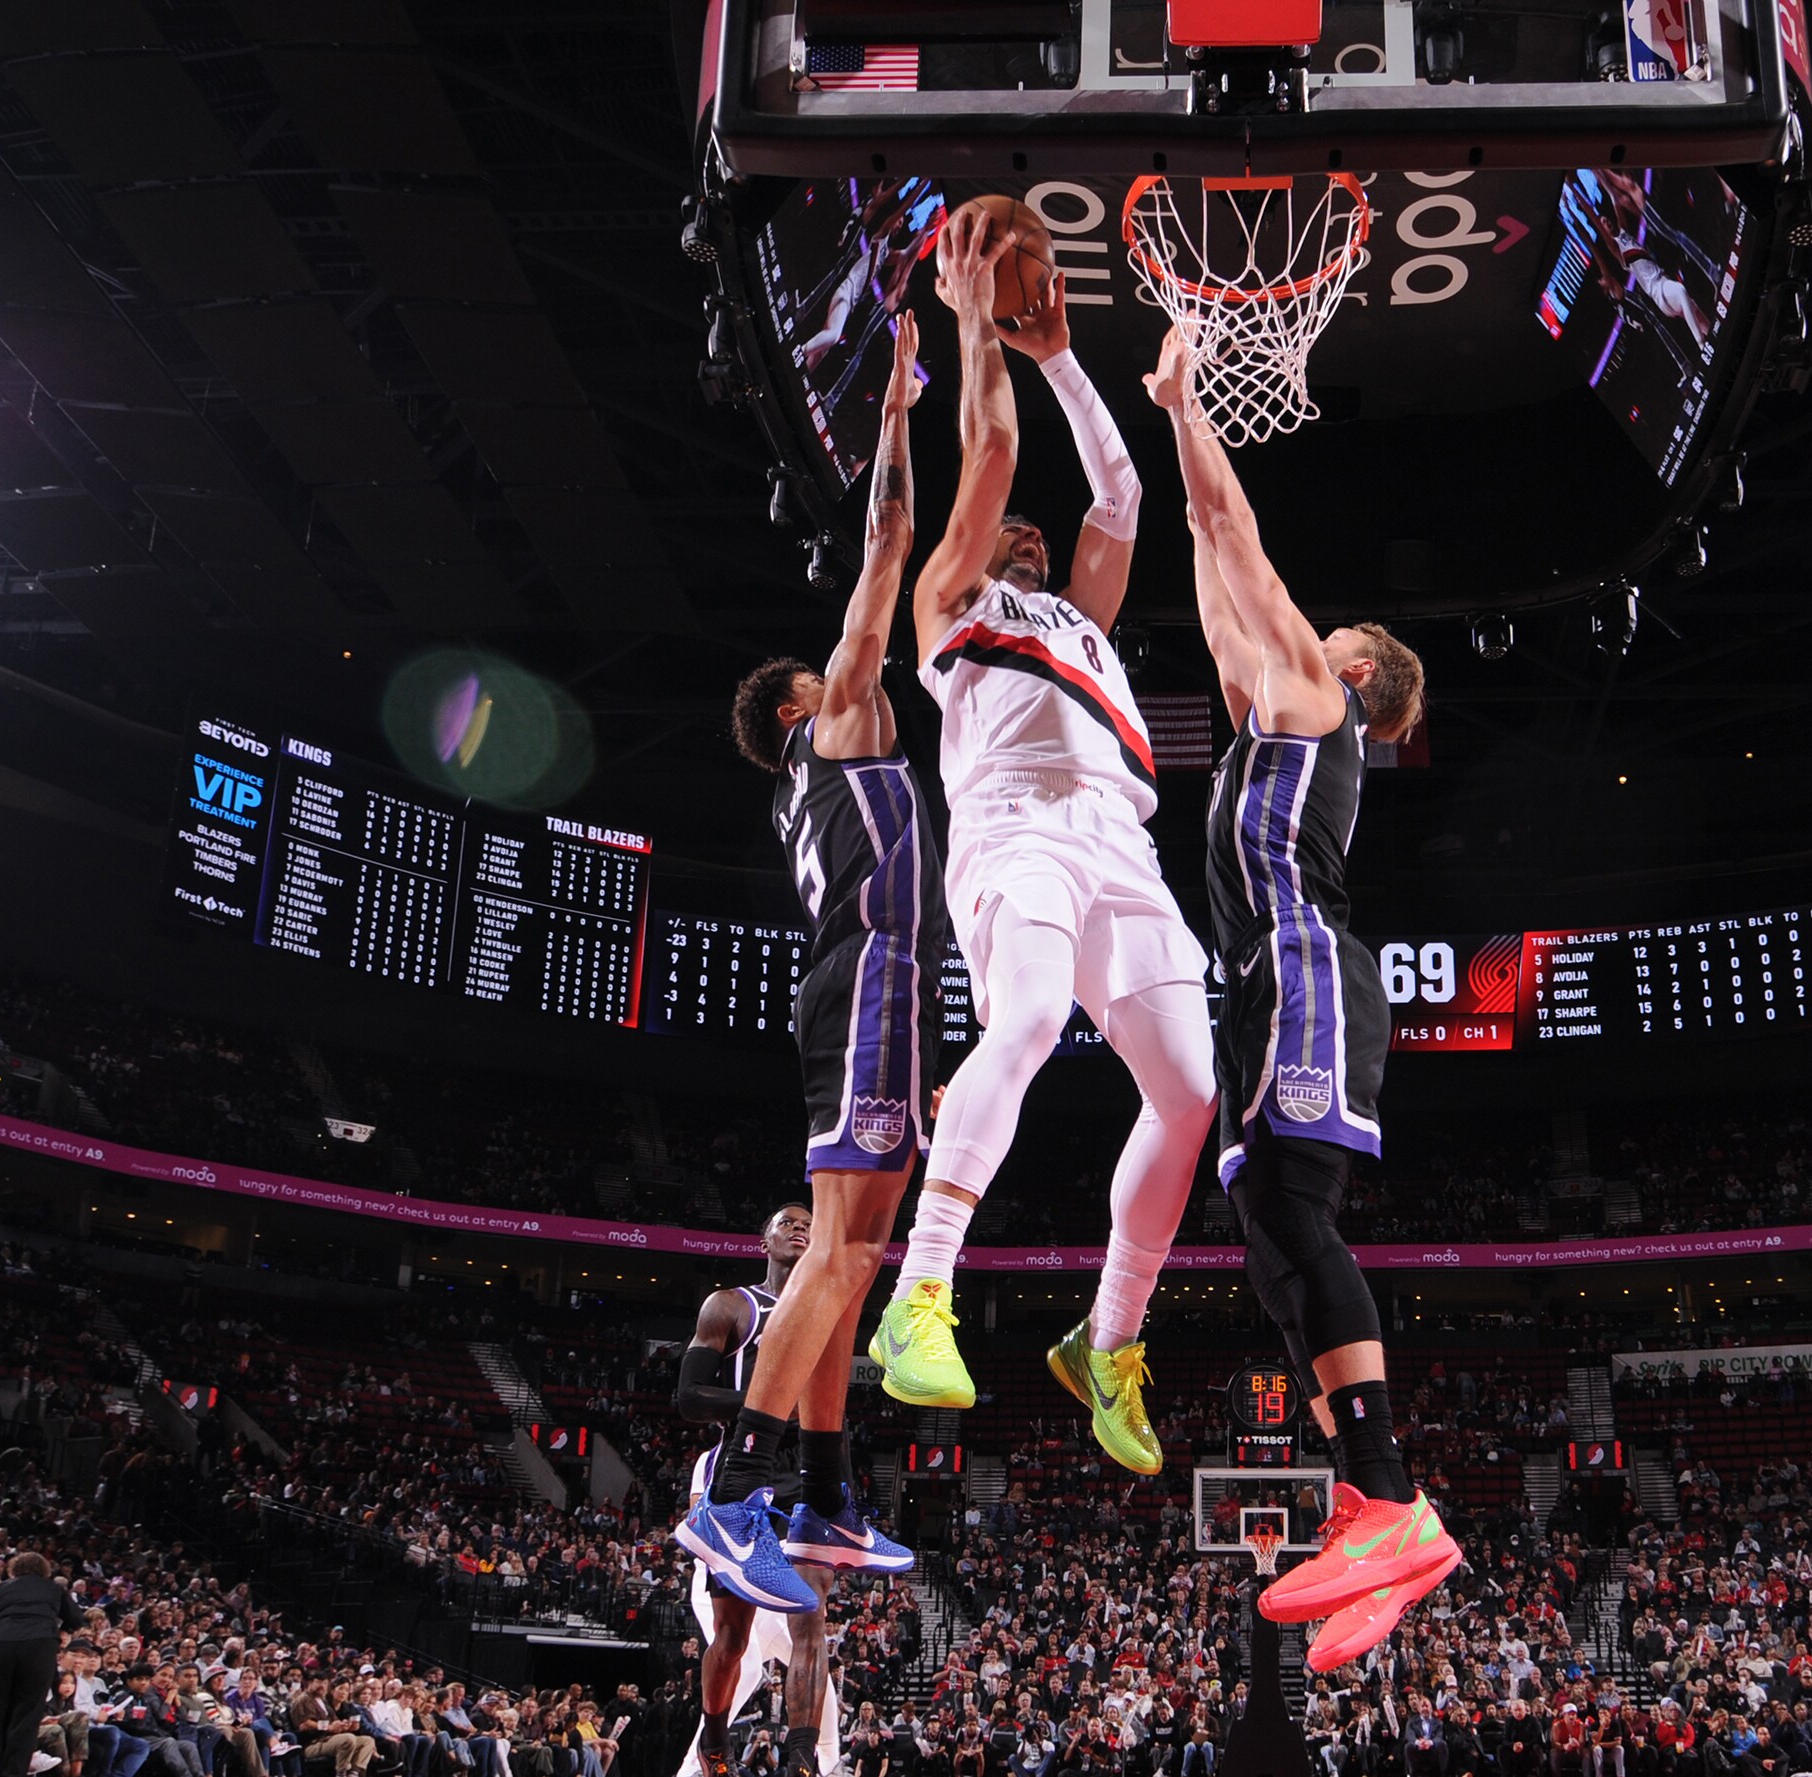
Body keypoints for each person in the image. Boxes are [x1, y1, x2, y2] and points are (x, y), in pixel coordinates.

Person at [867, 203, 1218, 1475]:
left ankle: (1108, 1339)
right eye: (1008, 528)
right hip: (1011, 828)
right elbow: (994, 458)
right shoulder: (952, 599)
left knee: (1189, 1092)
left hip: (1122, 848)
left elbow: (1121, 491)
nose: (1024, 534)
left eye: (1030, 537)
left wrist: (1062, 350)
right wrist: (978, 335)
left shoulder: (1082, 620)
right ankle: (922, 1294)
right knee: (1020, 1022)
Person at [1142, 323, 1451, 1674]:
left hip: (1309, 975)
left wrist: (1179, 408)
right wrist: (1198, 501)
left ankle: (1392, 1505)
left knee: (1291, 1212)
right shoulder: (1274, 710)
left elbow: (1235, 529)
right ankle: (1382, 1507)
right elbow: (1220, 578)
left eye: (1323, 641)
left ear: (1359, 672)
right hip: (1265, 988)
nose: (1292, 639)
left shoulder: (1324, 697)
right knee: (1267, 1238)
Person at [710, 310, 934, 1607]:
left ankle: (828, 1497)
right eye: (834, 669)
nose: (857, 669)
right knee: (843, 1252)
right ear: (804, 701)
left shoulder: (828, 769)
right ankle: (738, 1494)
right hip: (866, 987)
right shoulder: (834, 722)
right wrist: (898, 405)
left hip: (867, 989)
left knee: (862, 1251)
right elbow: (888, 543)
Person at [668, 1205, 842, 1777]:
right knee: (732, 1635)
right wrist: (766, 1405)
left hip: (805, 1470)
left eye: (811, 1224)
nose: (801, 1227)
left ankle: (800, 1758)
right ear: (763, 1239)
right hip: (743, 1463)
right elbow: (691, 1397)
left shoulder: (830, 1311)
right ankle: (714, 1739)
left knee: (812, 1615)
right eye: (788, 1221)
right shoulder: (731, 1305)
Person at [0, 1552, 87, 1777]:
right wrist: (61, 1632)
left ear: (14, 1569)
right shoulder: (54, 1589)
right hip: (38, 1647)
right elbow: (77, 1619)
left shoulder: (2, 1588)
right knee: (26, 1717)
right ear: (44, 1569)